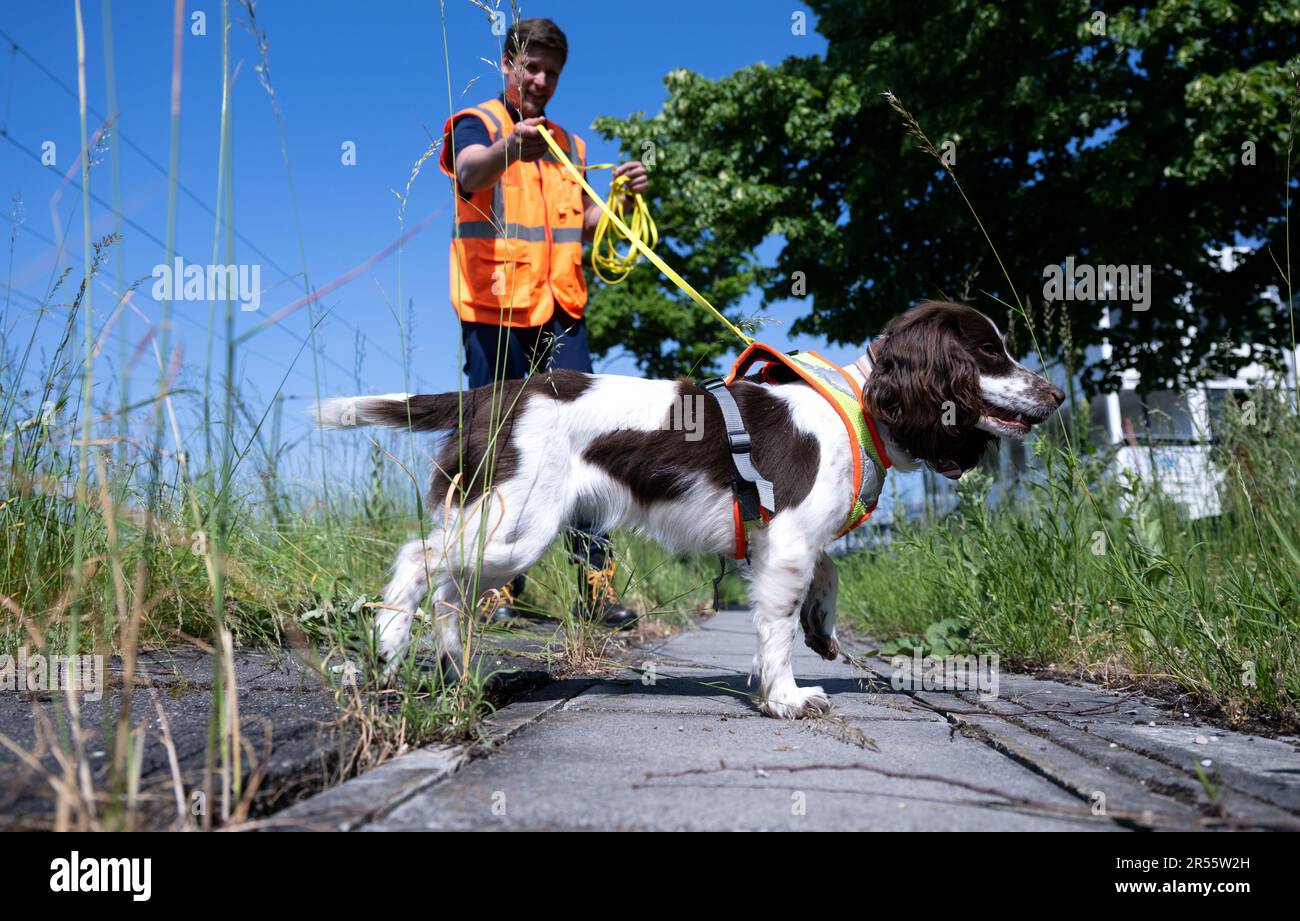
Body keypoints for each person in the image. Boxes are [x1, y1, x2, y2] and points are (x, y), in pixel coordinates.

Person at [437, 17, 647, 627]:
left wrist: (623, 201)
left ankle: (598, 587)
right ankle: (492, 582)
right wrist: (510, 149)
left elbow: (581, 223)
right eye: (531, 67)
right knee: (495, 445)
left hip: (561, 313)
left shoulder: (570, 147)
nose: (541, 80)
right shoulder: (479, 122)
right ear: (508, 64)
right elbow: (472, 171)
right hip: (495, 310)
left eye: (552, 72)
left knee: (585, 442)